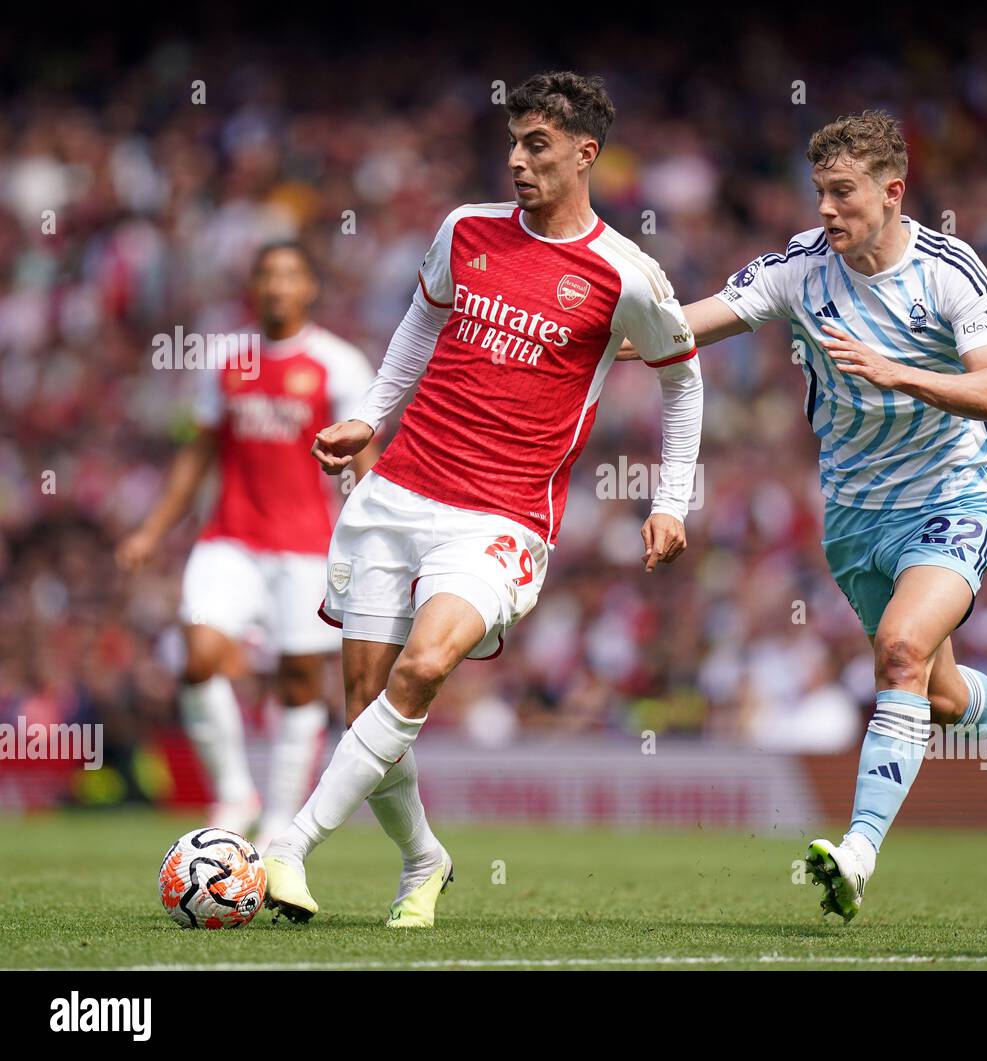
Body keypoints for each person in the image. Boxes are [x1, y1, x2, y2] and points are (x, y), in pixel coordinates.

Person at [261, 71, 704, 929]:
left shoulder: (625, 274)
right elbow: (422, 323)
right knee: (364, 704)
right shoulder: (465, 230)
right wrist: (367, 418)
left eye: (536, 145)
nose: (517, 161)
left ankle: (289, 845)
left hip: (501, 519)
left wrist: (672, 500)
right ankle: (425, 857)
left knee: (424, 667)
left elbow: (683, 385)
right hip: (398, 489)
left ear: (586, 154)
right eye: (512, 143)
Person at [621, 110, 987, 922]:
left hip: (950, 498)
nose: (825, 209)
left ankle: (857, 852)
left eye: (842, 193)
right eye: (818, 191)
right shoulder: (803, 266)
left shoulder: (950, 271)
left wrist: (899, 374)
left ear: (893, 193)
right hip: (855, 516)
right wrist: (623, 333)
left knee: (899, 652)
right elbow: (700, 321)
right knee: (933, 691)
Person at [117, 242, 377, 845]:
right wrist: (153, 530)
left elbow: (366, 458)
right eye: (266, 274)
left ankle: (278, 823)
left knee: (297, 680)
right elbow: (200, 452)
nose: (277, 285)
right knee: (199, 654)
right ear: (253, 285)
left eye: (290, 274)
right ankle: (234, 793)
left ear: (310, 287)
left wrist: (377, 540)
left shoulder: (338, 364)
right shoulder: (227, 358)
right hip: (230, 538)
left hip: (309, 546)